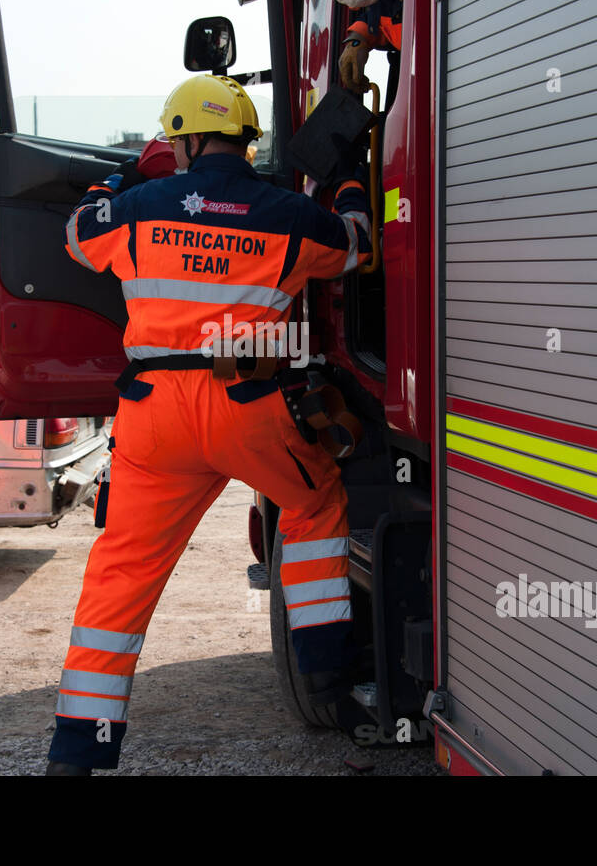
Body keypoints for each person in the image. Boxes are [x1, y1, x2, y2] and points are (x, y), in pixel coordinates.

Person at [46, 75, 371, 774]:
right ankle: (329, 685)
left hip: (154, 413)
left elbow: (76, 234)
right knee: (314, 507)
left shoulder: (138, 208)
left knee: (123, 568)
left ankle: (80, 748)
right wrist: (346, 179)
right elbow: (356, 247)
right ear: (247, 141)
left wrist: (124, 172)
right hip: (250, 406)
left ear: (186, 140)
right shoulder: (286, 213)